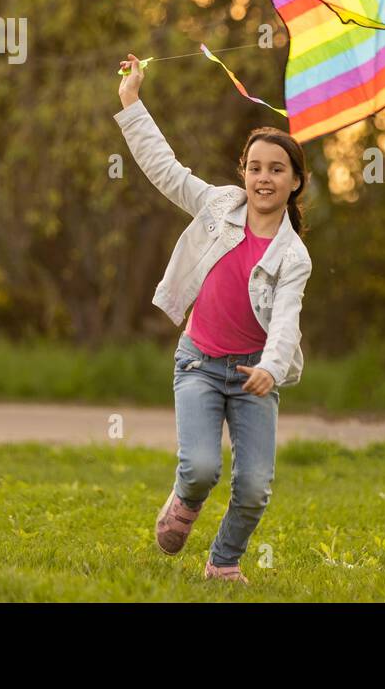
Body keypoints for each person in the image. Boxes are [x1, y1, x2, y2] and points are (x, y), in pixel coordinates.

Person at [115, 53, 313, 584]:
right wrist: (132, 103)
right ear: (243, 174)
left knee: (253, 487)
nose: (263, 178)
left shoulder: (294, 257)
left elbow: (287, 321)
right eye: (255, 168)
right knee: (201, 469)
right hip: (199, 363)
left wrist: (271, 367)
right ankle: (184, 500)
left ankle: (223, 562)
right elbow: (167, 170)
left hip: (255, 376)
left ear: (296, 182)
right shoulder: (217, 207)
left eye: (277, 170)